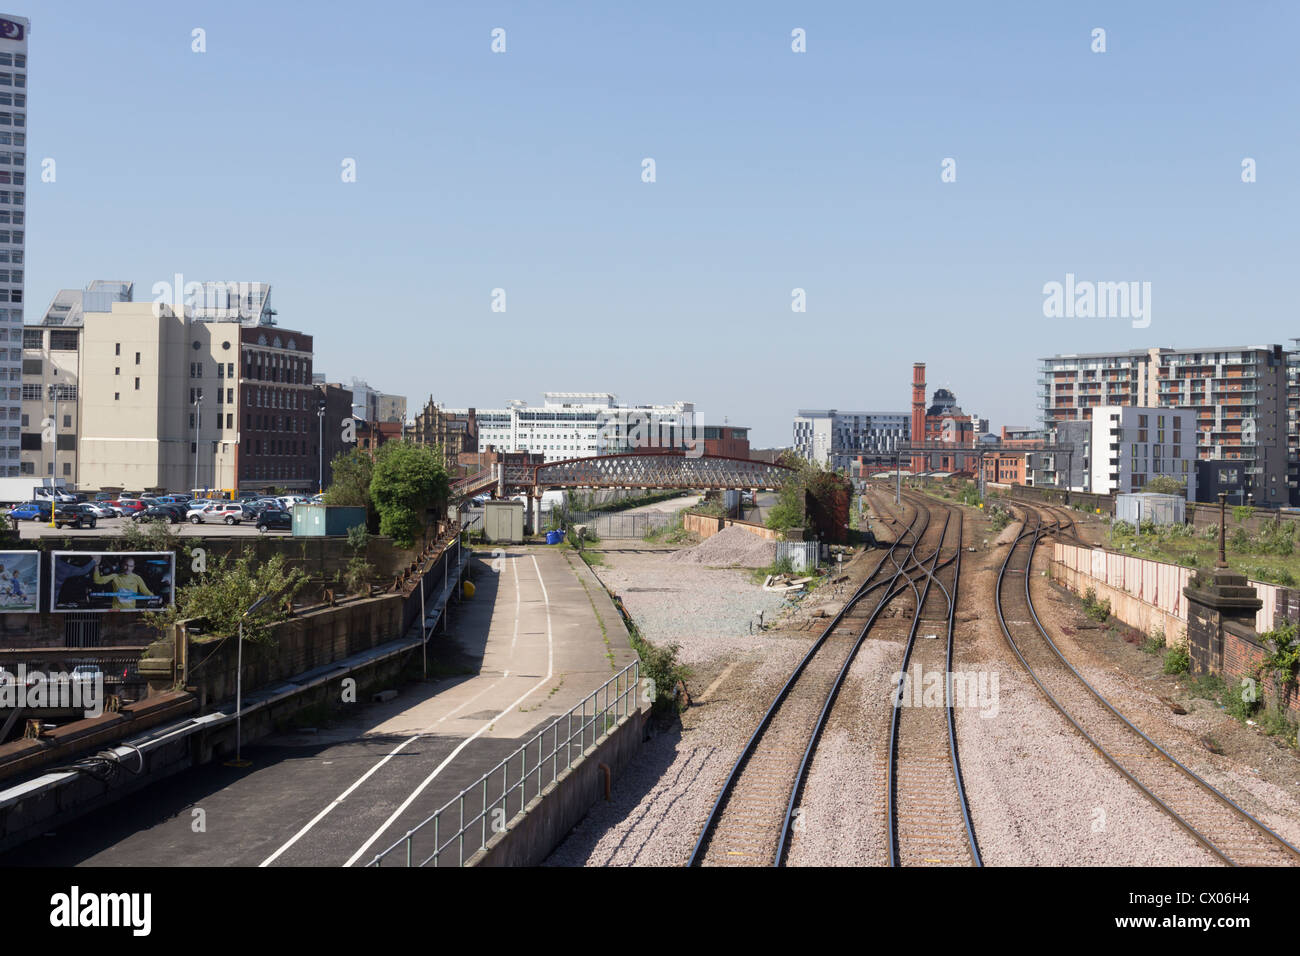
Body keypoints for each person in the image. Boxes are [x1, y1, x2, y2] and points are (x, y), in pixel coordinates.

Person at [91, 555, 155, 610]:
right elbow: (97, 581)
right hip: (116, 611)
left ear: (133, 567)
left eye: (131, 566)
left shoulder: (137, 578)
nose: (128, 568)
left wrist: (155, 598)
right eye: (126, 565)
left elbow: (146, 592)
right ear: (122, 565)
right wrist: (96, 565)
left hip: (131, 611)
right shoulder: (115, 576)